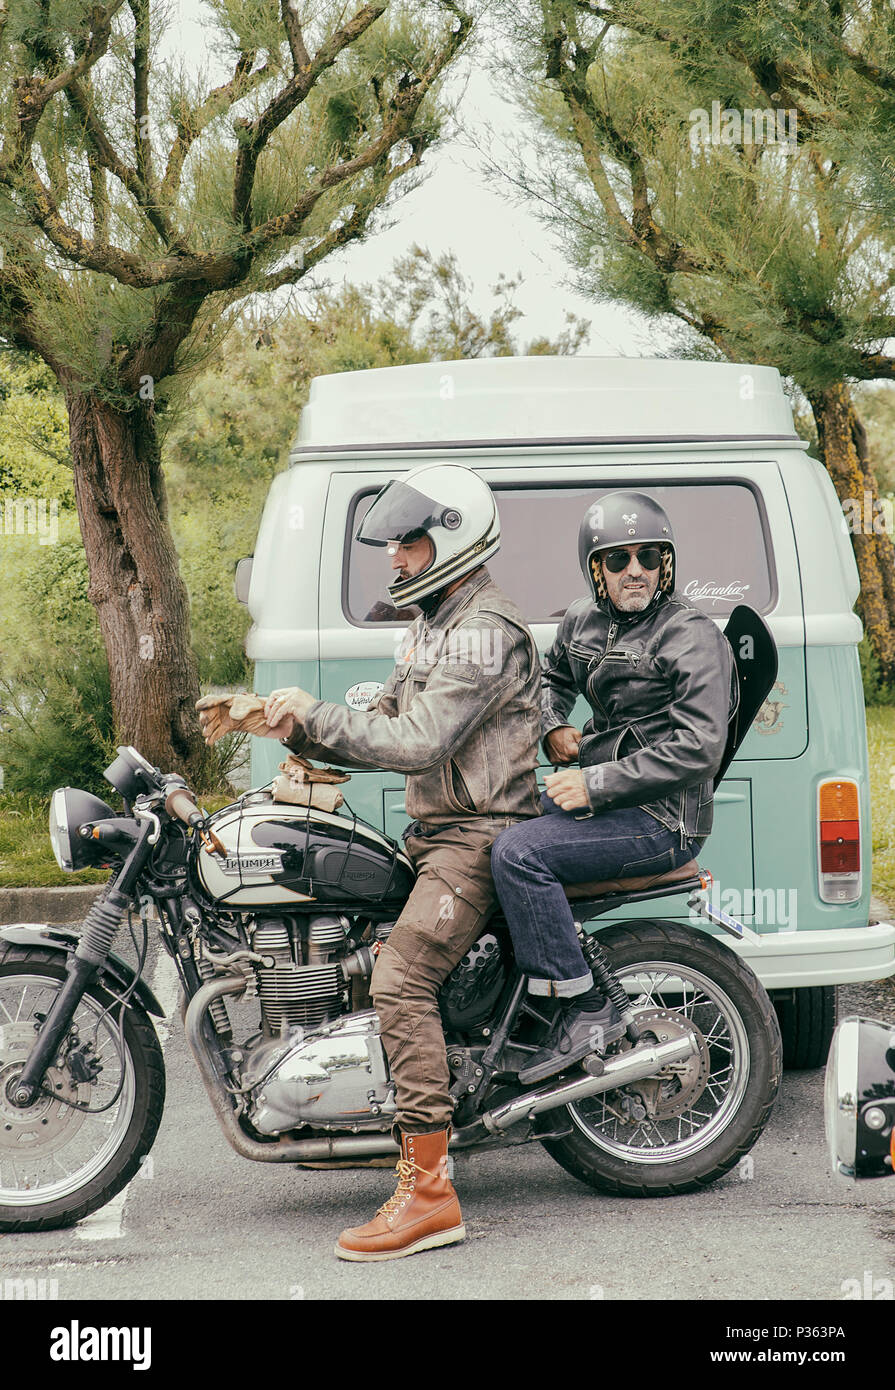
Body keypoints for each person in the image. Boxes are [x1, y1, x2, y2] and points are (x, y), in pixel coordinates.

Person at [253, 464, 541, 1261]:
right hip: (435, 835)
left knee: (400, 979)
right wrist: (293, 725)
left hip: (478, 838)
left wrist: (316, 716)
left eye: (406, 542)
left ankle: (430, 1195)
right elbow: (385, 713)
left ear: (449, 536)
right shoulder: (432, 622)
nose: (393, 558)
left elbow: (417, 742)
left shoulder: (486, 629)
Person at [490, 490, 737, 1085]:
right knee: (482, 827)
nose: (636, 571)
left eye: (650, 557)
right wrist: (553, 726)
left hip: (661, 820)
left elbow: (702, 747)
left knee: (518, 855)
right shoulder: (582, 620)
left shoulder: (691, 636)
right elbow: (547, 681)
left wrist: (596, 783)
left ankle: (581, 1005)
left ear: (667, 564)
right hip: (608, 797)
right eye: (619, 559)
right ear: (595, 568)